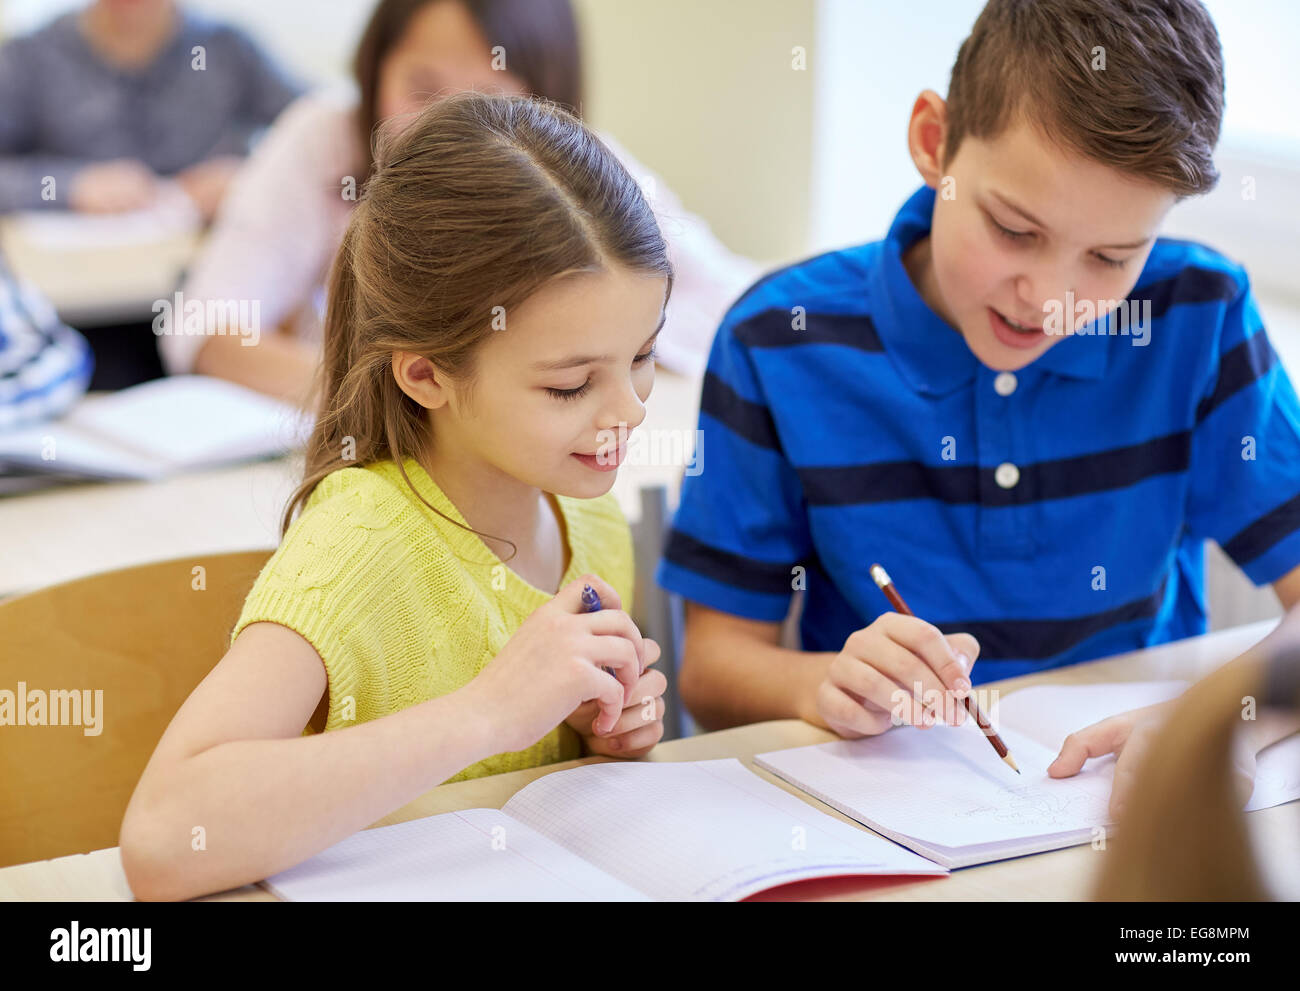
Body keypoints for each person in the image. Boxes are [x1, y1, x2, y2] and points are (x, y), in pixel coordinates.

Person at [655, 0, 1300, 816]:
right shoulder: (779, 339)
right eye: (1013, 229)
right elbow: (713, 672)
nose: (1051, 300)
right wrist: (828, 684)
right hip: (894, 824)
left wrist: (1224, 725)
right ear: (934, 141)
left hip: (1125, 818)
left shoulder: (1198, 317)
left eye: (1110, 256)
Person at [121, 91, 670, 901]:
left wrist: (607, 738)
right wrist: (489, 714)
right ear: (426, 373)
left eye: (644, 356)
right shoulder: (363, 539)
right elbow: (166, 839)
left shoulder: (585, 512)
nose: (628, 410)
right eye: (569, 385)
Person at [163, 0, 758, 405]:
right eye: (422, 89)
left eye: (487, 100)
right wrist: (393, 406)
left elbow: (731, 307)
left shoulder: (575, 166)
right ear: (375, 71)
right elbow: (206, 329)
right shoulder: (323, 139)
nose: (444, 127)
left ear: (543, 104)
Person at [0, 0, 303, 219]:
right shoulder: (29, 58)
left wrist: (253, 177)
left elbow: (326, 131)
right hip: (74, 281)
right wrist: (69, 187)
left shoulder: (228, 48)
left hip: (208, 274)